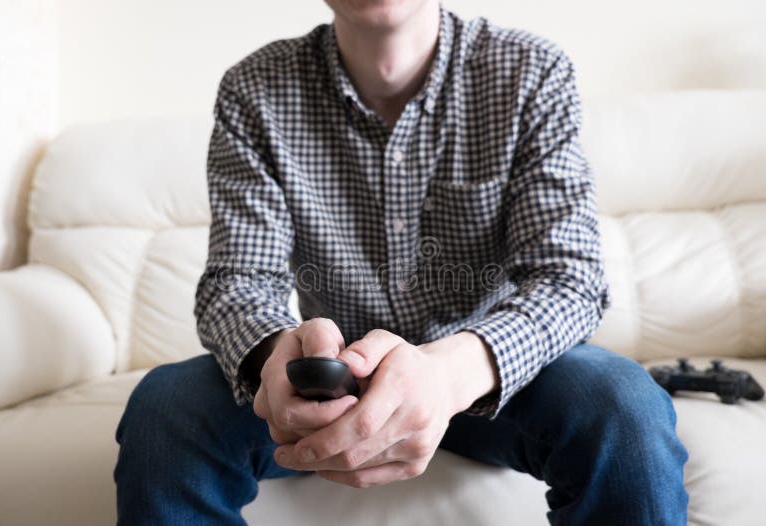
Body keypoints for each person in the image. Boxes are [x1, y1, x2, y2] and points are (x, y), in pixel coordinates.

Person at [114, 1, 689, 524]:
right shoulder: (256, 88)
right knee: (167, 409)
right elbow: (237, 282)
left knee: (624, 405)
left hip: (487, 373)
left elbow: (570, 278)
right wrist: (272, 352)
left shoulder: (528, 71)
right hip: (331, 381)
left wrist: (446, 372)